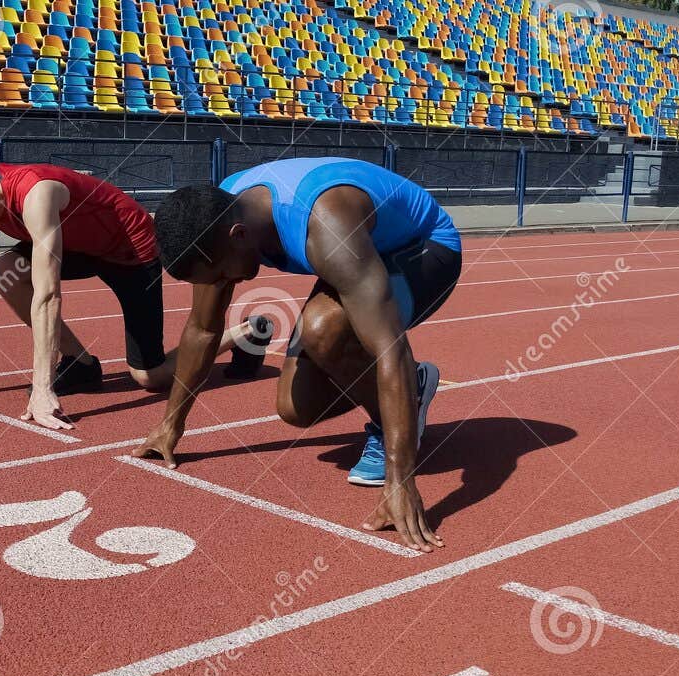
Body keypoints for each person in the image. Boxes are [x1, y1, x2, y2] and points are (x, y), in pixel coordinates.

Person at [133, 157, 463, 551]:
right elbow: (204, 329)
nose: (225, 285)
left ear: (238, 234)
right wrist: (171, 424)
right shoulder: (217, 219)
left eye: (222, 275)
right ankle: (415, 387)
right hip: (360, 249)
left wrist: (400, 482)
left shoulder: (326, 222)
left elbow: (390, 347)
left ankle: (397, 411)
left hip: (424, 247)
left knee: (325, 329)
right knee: (296, 407)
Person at [0, 164, 265, 431]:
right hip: (79, 245)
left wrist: (42, 391)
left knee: (148, 377)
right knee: (4, 270)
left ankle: (245, 333)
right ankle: (79, 363)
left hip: (130, 250)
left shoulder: (36, 194)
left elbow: (47, 295)